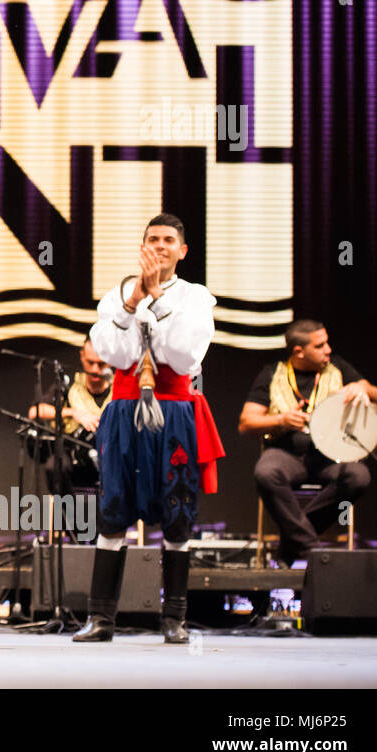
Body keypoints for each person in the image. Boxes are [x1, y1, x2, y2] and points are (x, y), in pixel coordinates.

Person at [74, 213, 224, 644]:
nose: (159, 246)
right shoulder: (117, 293)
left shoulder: (196, 297)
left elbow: (183, 356)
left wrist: (157, 298)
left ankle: (174, 620)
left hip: (174, 410)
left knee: (177, 512)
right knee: (113, 510)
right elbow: (111, 355)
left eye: (168, 240)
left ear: (182, 250)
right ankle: (101, 619)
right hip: (123, 409)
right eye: (152, 239)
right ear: (142, 247)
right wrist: (130, 303)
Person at [238, 320, 377, 566]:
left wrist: (361, 388)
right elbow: (246, 423)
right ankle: (311, 549)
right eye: (320, 345)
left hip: (328, 457)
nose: (328, 349)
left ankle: (291, 544)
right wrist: (281, 419)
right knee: (266, 472)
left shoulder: (337, 368)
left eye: (326, 343)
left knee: (358, 477)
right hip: (286, 453)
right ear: (299, 351)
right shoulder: (272, 373)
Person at [27, 335, 113, 491]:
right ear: (82, 356)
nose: (95, 369)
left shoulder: (119, 390)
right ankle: (71, 515)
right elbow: (35, 411)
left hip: (112, 457)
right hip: (74, 458)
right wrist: (73, 412)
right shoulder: (69, 386)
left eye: (101, 364)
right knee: (55, 466)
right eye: (90, 362)